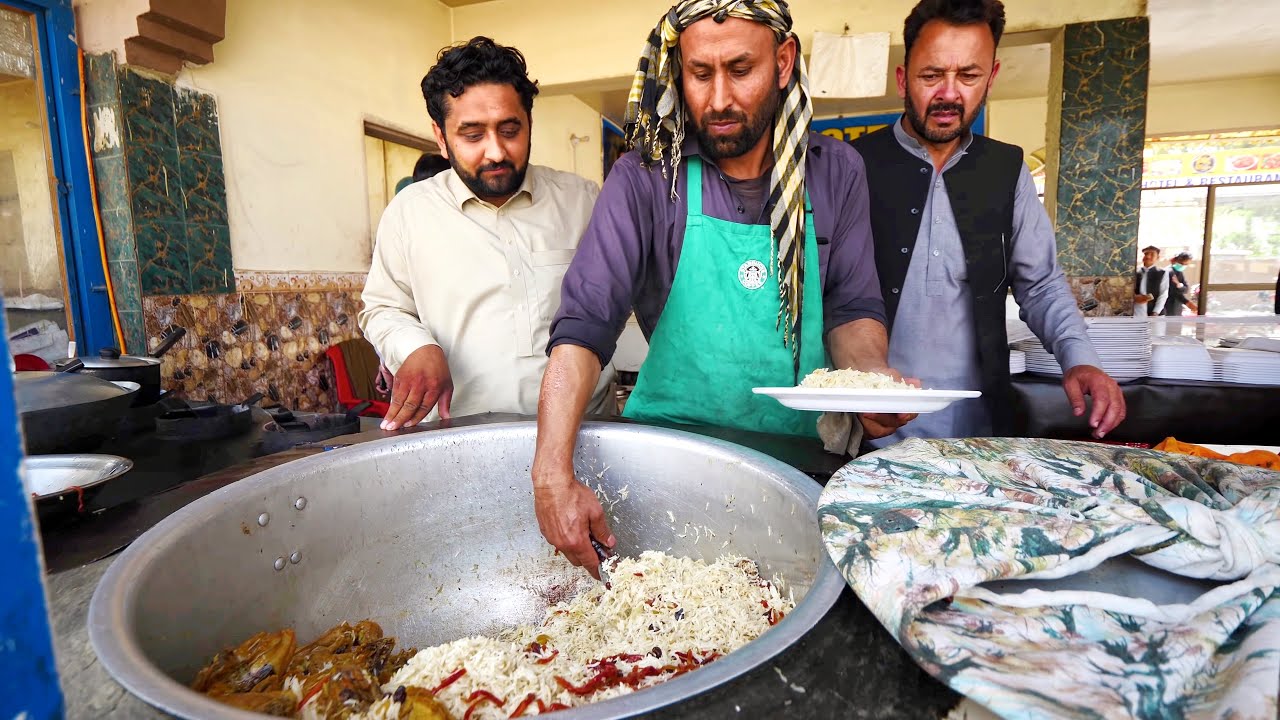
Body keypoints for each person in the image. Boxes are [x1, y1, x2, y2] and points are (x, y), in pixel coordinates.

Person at [532, 0, 902, 578]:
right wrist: (551, 472)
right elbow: (584, 324)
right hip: (673, 463)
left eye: (740, 69)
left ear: (784, 62)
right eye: (700, 74)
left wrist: (871, 379)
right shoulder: (647, 178)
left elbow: (851, 308)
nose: (720, 99)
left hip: (802, 461)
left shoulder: (835, 171)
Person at [851, 0, 1124, 446]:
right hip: (865, 427)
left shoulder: (1006, 169)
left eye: (968, 75)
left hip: (976, 432)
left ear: (991, 78)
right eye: (931, 75)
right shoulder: (851, 164)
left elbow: (1040, 284)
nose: (949, 93)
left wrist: (1080, 358)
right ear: (903, 79)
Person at [359, 37, 614, 431]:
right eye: (473, 135)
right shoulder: (408, 214)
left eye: (510, 130)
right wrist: (416, 347)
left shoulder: (583, 201)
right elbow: (383, 308)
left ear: (529, 124)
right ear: (441, 137)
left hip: (586, 432)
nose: (496, 152)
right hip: (462, 438)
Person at [1134, 245, 1169, 317]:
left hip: (1154, 312)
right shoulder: (1135, 272)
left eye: (1152, 254)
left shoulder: (1162, 273)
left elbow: (1163, 294)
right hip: (1137, 311)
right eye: (1146, 254)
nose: (1148, 256)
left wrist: (1156, 312)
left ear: (1157, 258)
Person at [1164, 252, 1197, 318]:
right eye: (1182, 263)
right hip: (1168, 306)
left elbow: (1186, 289)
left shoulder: (1179, 272)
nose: (1183, 266)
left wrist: (1179, 285)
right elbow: (1174, 292)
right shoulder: (1168, 272)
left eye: (1186, 264)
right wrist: (1187, 303)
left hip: (1177, 307)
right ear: (1175, 260)